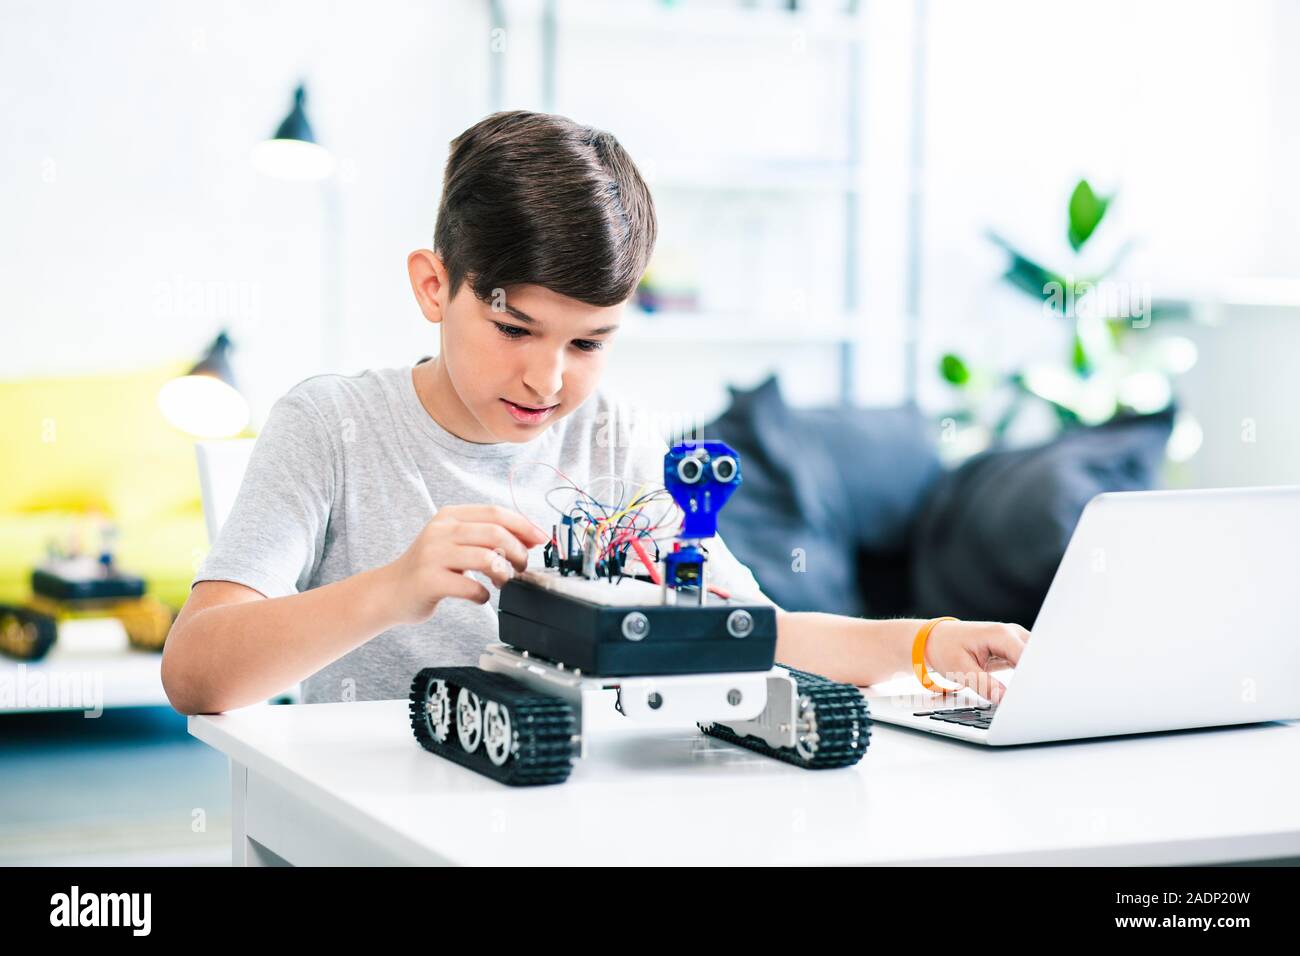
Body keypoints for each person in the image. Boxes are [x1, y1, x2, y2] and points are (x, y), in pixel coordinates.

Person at [162, 111, 1028, 715]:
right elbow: (196, 671)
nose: (545, 379)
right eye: (513, 327)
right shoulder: (332, 426)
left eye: (588, 343)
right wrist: (390, 590)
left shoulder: (613, 435)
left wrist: (928, 644)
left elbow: (755, 633)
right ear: (434, 286)